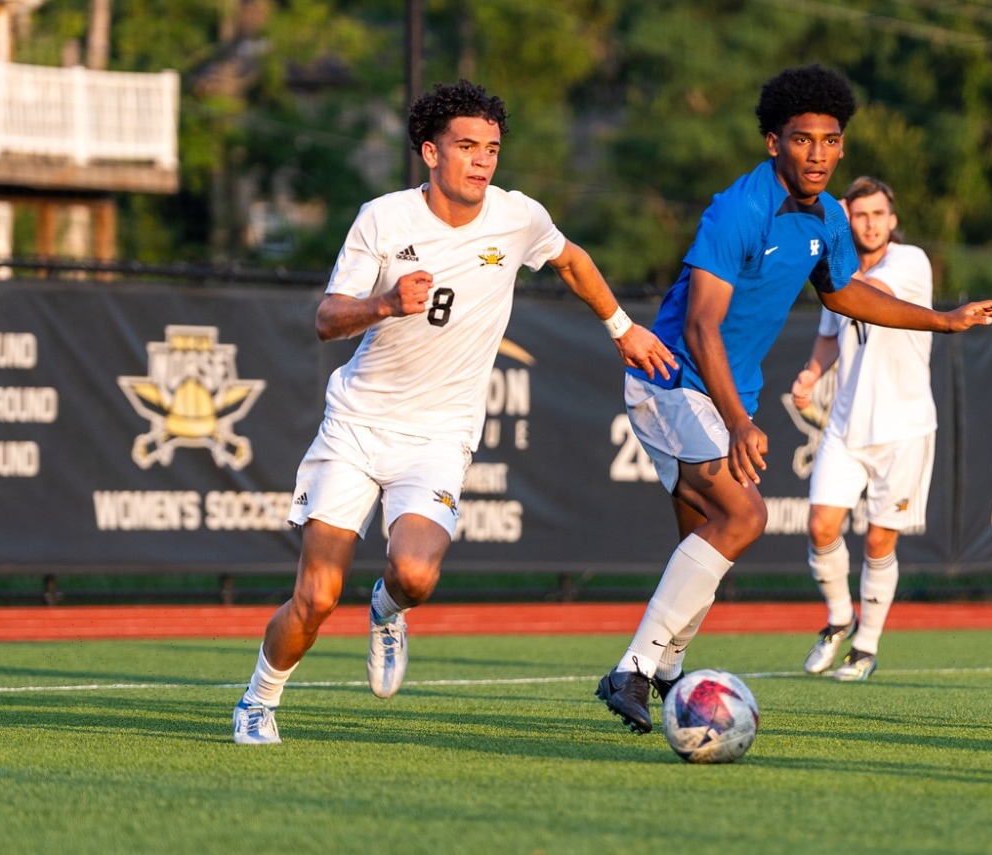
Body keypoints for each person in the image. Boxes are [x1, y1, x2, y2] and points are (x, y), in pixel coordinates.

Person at [232, 80, 676, 745]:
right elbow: (327, 319)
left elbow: (572, 261)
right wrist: (384, 303)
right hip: (356, 426)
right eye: (467, 146)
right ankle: (257, 701)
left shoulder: (518, 217)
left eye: (491, 148)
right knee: (316, 598)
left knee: (414, 575)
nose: (482, 160)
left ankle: (387, 610)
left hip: (439, 436)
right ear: (430, 152)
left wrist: (622, 327)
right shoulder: (382, 218)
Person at [595, 64, 992, 735]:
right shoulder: (740, 209)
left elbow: (842, 292)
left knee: (706, 538)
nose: (818, 153)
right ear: (773, 143)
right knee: (745, 516)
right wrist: (739, 422)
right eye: (802, 139)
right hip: (669, 381)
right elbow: (701, 326)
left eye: (831, 139)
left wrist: (943, 319)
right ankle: (633, 670)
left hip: (717, 393)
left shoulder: (829, 217)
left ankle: (669, 670)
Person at [789, 176, 936, 682]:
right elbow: (830, 333)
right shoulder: (841, 271)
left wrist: (828, 261)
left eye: (877, 214)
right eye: (859, 215)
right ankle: (838, 619)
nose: (870, 224)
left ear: (891, 220)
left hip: (904, 427)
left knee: (878, 541)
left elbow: (870, 295)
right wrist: (811, 373)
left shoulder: (909, 260)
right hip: (846, 423)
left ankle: (865, 647)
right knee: (820, 526)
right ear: (848, 220)